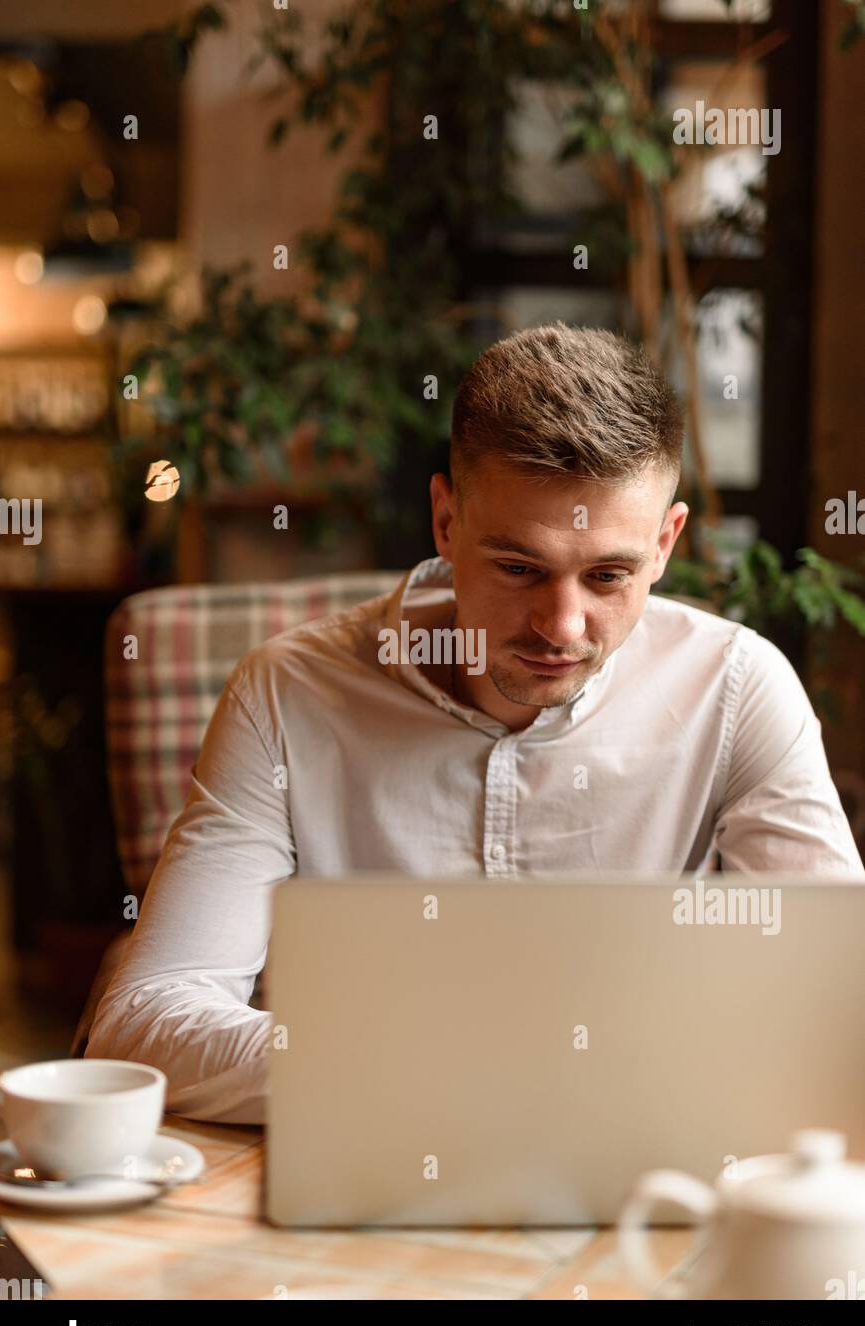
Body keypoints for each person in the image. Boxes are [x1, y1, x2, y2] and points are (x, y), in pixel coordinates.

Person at [85, 324, 863, 1123]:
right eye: (519, 568)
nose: (562, 626)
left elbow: (835, 999)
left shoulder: (735, 689)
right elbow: (144, 1023)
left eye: (607, 575)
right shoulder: (285, 696)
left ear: (664, 543)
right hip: (362, 1180)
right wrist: (441, 1063)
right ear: (446, 522)